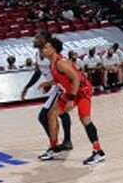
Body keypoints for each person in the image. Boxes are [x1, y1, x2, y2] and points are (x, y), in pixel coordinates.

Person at [40, 37, 105, 165]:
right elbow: (61, 79)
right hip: (72, 92)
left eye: (46, 47)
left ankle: (99, 152)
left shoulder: (61, 63)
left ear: (54, 50)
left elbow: (76, 78)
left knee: (85, 119)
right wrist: (47, 83)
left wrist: (71, 99)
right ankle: (53, 148)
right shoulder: (53, 64)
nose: (43, 49)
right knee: (52, 115)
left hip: (83, 91)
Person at [22, 32, 70, 159]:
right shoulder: (38, 54)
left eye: (38, 37)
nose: (35, 39)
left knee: (45, 116)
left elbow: (61, 71)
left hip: (59, 86)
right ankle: (61, 143)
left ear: (46, 41)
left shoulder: (53, 55)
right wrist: (27, 87)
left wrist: (50, 84)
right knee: (61, 113)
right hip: (53, 86)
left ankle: (56, 145)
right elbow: (38, 73)